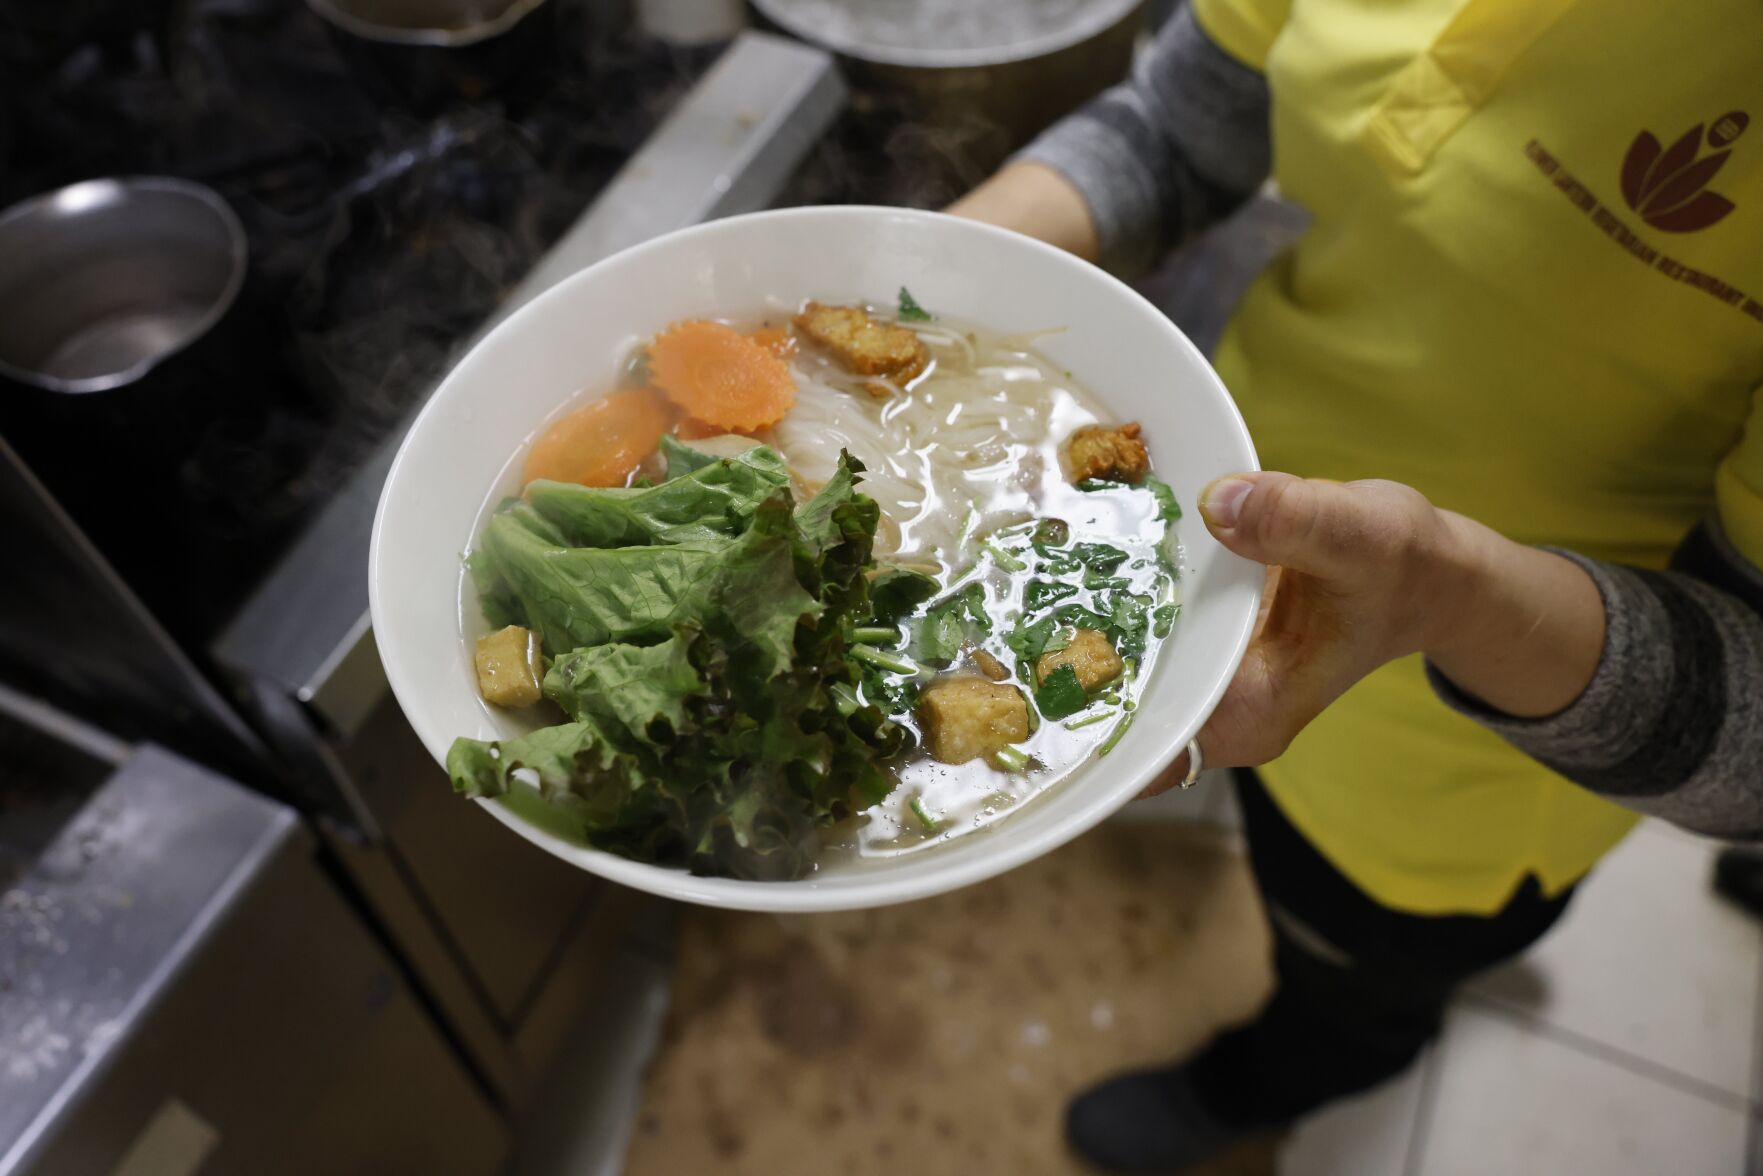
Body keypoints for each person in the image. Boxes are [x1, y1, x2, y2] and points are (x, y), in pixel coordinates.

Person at [947, 1, 1763, 1171]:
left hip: (1472, 754)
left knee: (1358, 963)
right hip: (1214, 534)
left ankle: (1268, 1078)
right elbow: (1180, 128)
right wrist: (933, 273)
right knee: (1262, 825)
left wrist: (1443, 597)